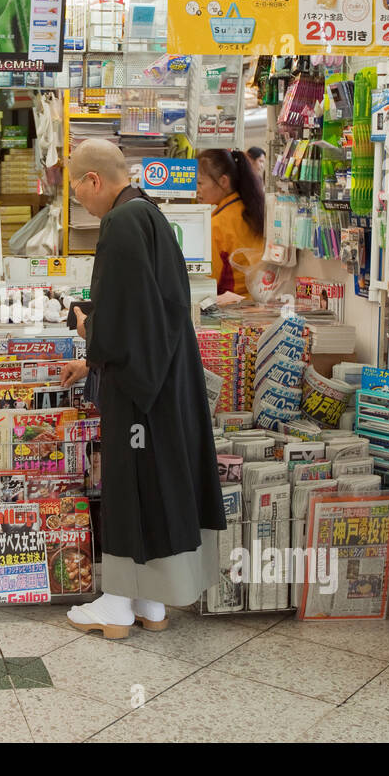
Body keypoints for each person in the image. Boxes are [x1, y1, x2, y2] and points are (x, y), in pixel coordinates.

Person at [59, 138, 226, 638]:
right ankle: (151, 601)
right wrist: (93, 355)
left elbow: (121, 320)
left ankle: (115, 605)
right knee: (157, 483)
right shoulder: (149, 214)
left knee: (129, 483)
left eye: (76, 191)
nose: (79, 203)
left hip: (138, 389)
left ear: (94, 180)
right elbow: (150, 308)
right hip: (166, 378)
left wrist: (89, 328)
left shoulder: (121, 223)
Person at [196, 148, 266, 300]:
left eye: (200, 183)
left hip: (231, 307)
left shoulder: (216, 225)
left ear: (223, 181)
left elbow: (209, 282)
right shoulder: (253, 211)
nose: (197, 190)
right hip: (258, 302)